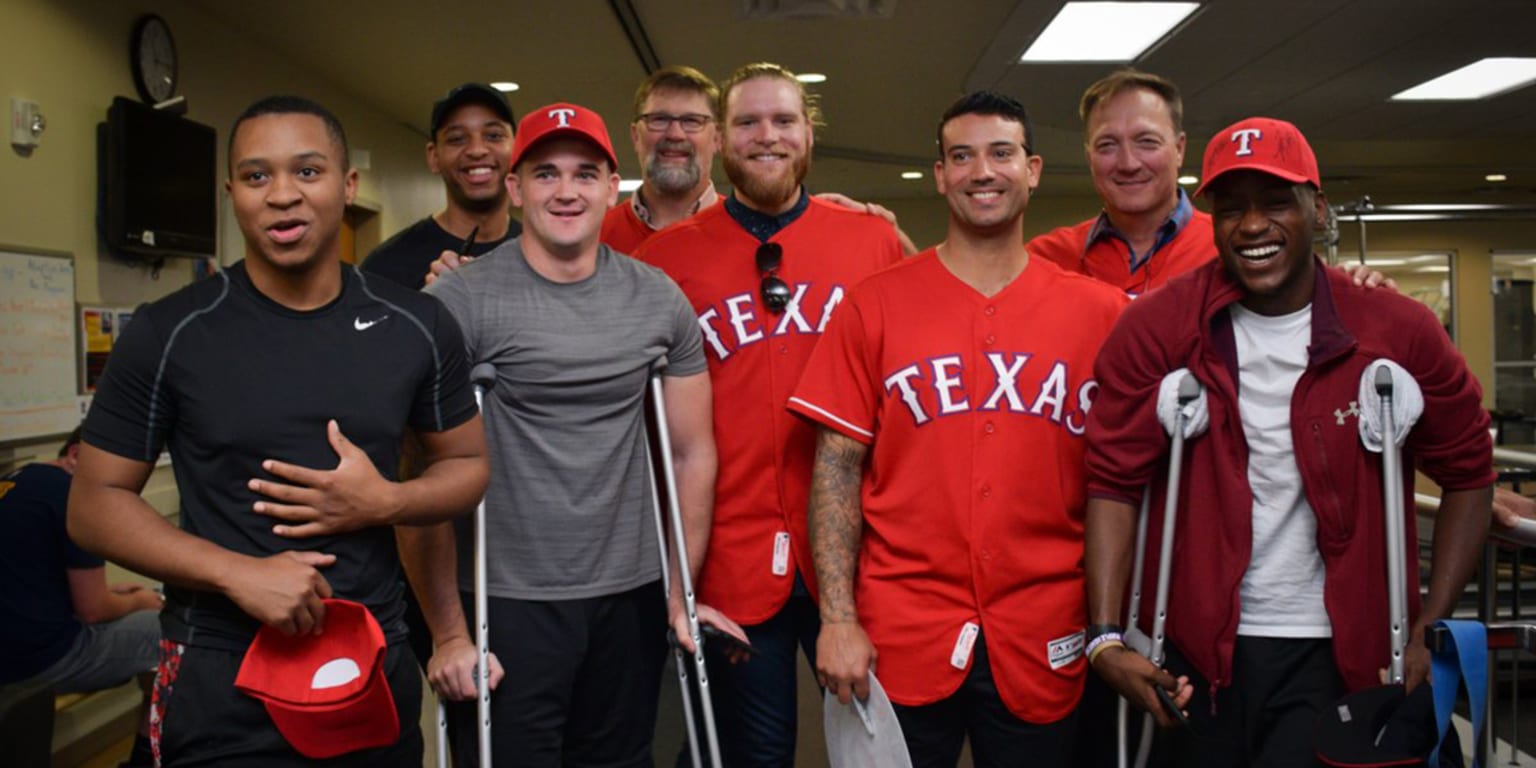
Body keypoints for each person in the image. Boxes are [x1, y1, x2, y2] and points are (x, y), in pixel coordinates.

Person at [67, 95, 489, 767]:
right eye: (258, 176)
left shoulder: (417, 324)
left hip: (371, 652)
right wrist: (237, 573)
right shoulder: (168, 331)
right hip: (219, 664)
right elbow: (93, 507)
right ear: (231, 192)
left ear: (348, 187)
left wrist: (387, 502)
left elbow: (468, 464)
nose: (282, 196)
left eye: (308, 171)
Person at [1083, 116, 1493, 766]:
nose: (1251, 225)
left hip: (1339, 650)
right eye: (1231, 207)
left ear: (1318, 208)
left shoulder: (1396, 328)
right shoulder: (1158, 327)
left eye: (1276, 202)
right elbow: (1113, 479)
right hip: (1196, 649)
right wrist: (1105, 638)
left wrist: (1428, 625)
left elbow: (1470, 470)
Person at [789, 90, 1128, 768]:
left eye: (1001, 153)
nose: (983, 172)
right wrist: (837, 619)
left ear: (1031, 169)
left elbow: (1123, 481)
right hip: (901, 626)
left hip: (1045, 629)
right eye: (962, 156)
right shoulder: (875, 304)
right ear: (940, 175)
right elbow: (836, 468)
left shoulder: (1101, 313)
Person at [406, 101, 744, 768]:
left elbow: (690, 450)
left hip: (630, 591)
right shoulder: (459, 304)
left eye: (586, 174)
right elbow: (419, 476)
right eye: (545, 174)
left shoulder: (656, 298)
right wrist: (446, 633)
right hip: (505, 596)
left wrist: (680, 594)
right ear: (514, 187)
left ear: (609, 185)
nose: (566, 192)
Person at [632, 62, 907, 767]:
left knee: (880, 747)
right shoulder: (664, 260)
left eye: (784, 120)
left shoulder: (872, 242)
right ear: (721, 141)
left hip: (858, 552)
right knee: (748, 753)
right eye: (748, 122)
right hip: (729, 551)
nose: (767, 136)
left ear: (808, 135)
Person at [1, 426, 162, 766]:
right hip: (36, 665)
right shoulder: (74, 498)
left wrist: (112, 595)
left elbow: (30, 583)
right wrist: (139, 600)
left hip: (10, 648)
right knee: (167, 629)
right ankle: (145, 757)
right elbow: (94, 610)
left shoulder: (19, 481)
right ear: (75, 457)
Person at [361, 82, 522, 288]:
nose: (477, 150)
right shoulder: (386, 267)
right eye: (457, 139)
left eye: (493, 136)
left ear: (517, 149)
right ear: (434, 157)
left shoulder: (542, 256)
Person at [602, 65, 723, 255]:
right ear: (635, 136)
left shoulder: (748, 233)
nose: (675, 134)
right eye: (659, 119)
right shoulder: (594, 238)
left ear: (718, 138)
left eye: (692, 121)